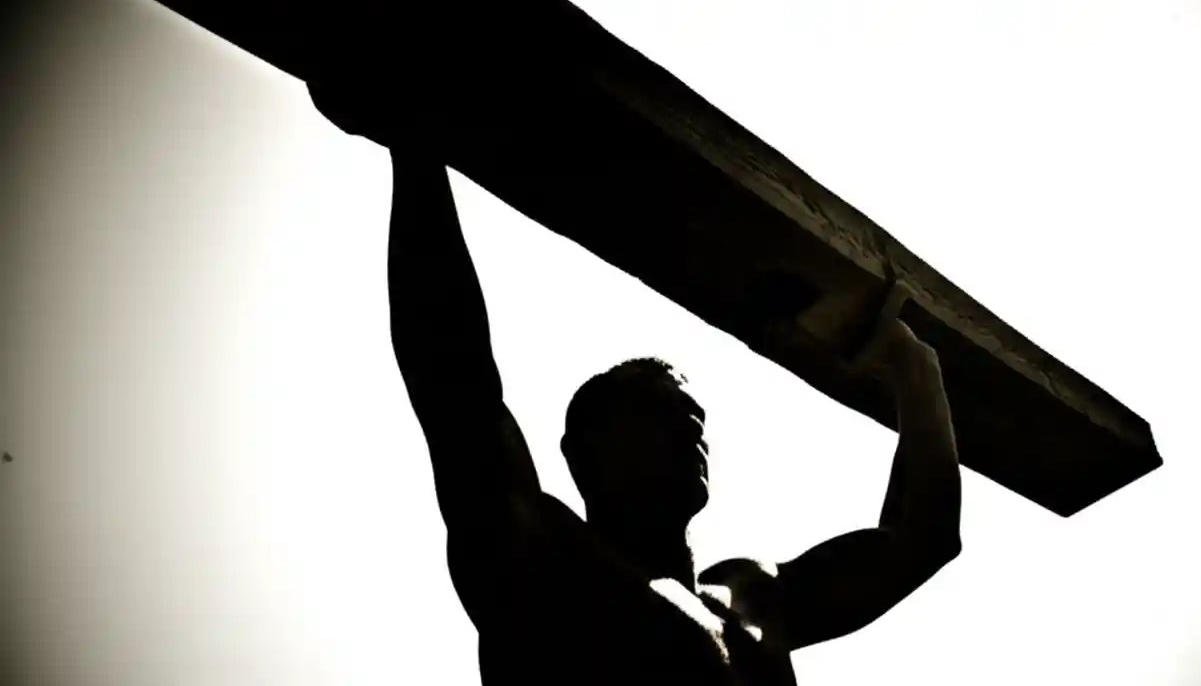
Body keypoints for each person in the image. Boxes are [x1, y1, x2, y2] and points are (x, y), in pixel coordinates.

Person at [309, 78, 962, 685]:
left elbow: (923, 539)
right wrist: (415, 153)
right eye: (654, 408)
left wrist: (913, 365)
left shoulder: (753, 598)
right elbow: (454, 383)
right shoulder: (541, 560)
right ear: (582, 452)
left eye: (691, 411)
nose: (690, 420)